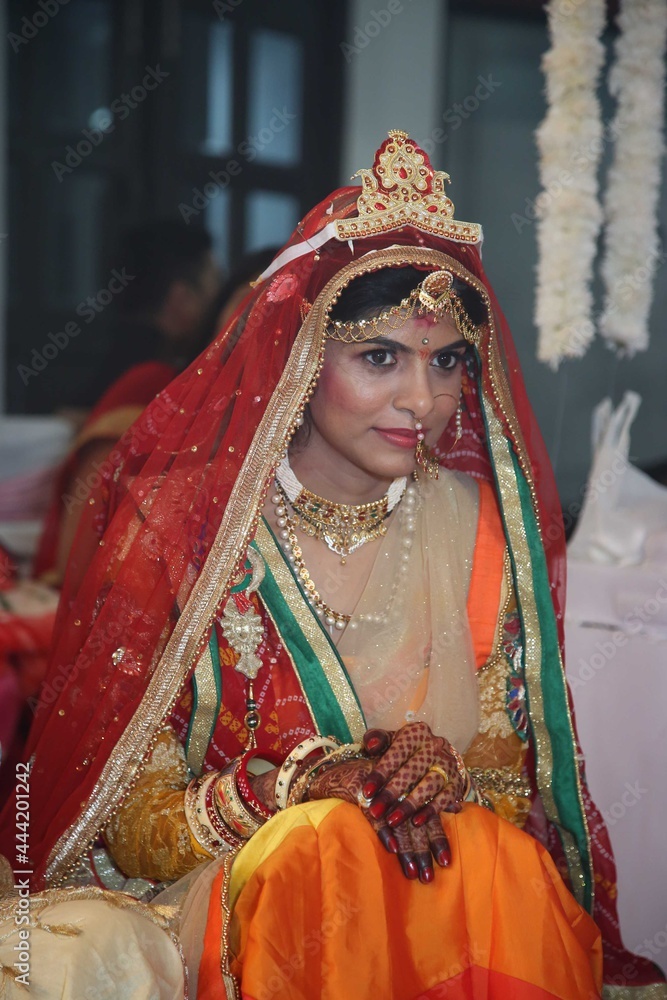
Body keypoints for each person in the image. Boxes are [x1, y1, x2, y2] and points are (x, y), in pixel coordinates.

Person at [1, 132, 664, 999]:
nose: (421, 401)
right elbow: (128, 823)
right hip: (237, 896)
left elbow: (508, 780)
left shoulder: (474, 534)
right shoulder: (185, 530)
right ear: (301, 355)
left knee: (499, 863)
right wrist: (300, 787)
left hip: (434, 888)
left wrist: (434, 779)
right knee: (316, 854)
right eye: (379, 357)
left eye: (446, 361)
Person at [33, 220, 222, 588]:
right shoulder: (152, 379)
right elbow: (83, 544)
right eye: (216, 290)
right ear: (181, 299)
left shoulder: (120, 355)